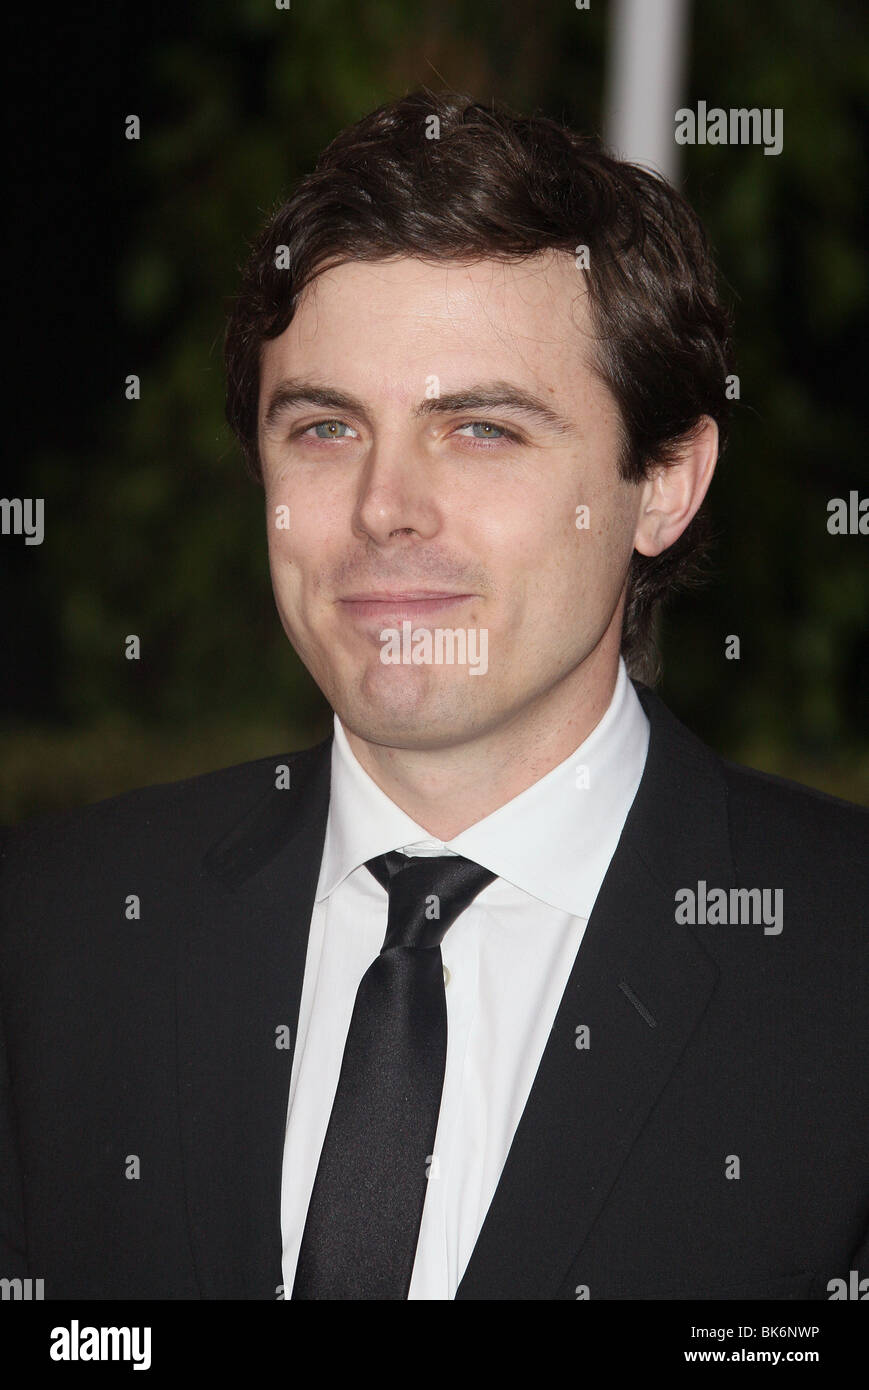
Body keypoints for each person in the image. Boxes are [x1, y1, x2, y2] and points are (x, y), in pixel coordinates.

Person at [1, 89, 866, 1302]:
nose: (382, 508)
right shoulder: (52, 939)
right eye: (322, 428)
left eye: (480, 431)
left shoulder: (838, 961)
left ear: (662, 484)